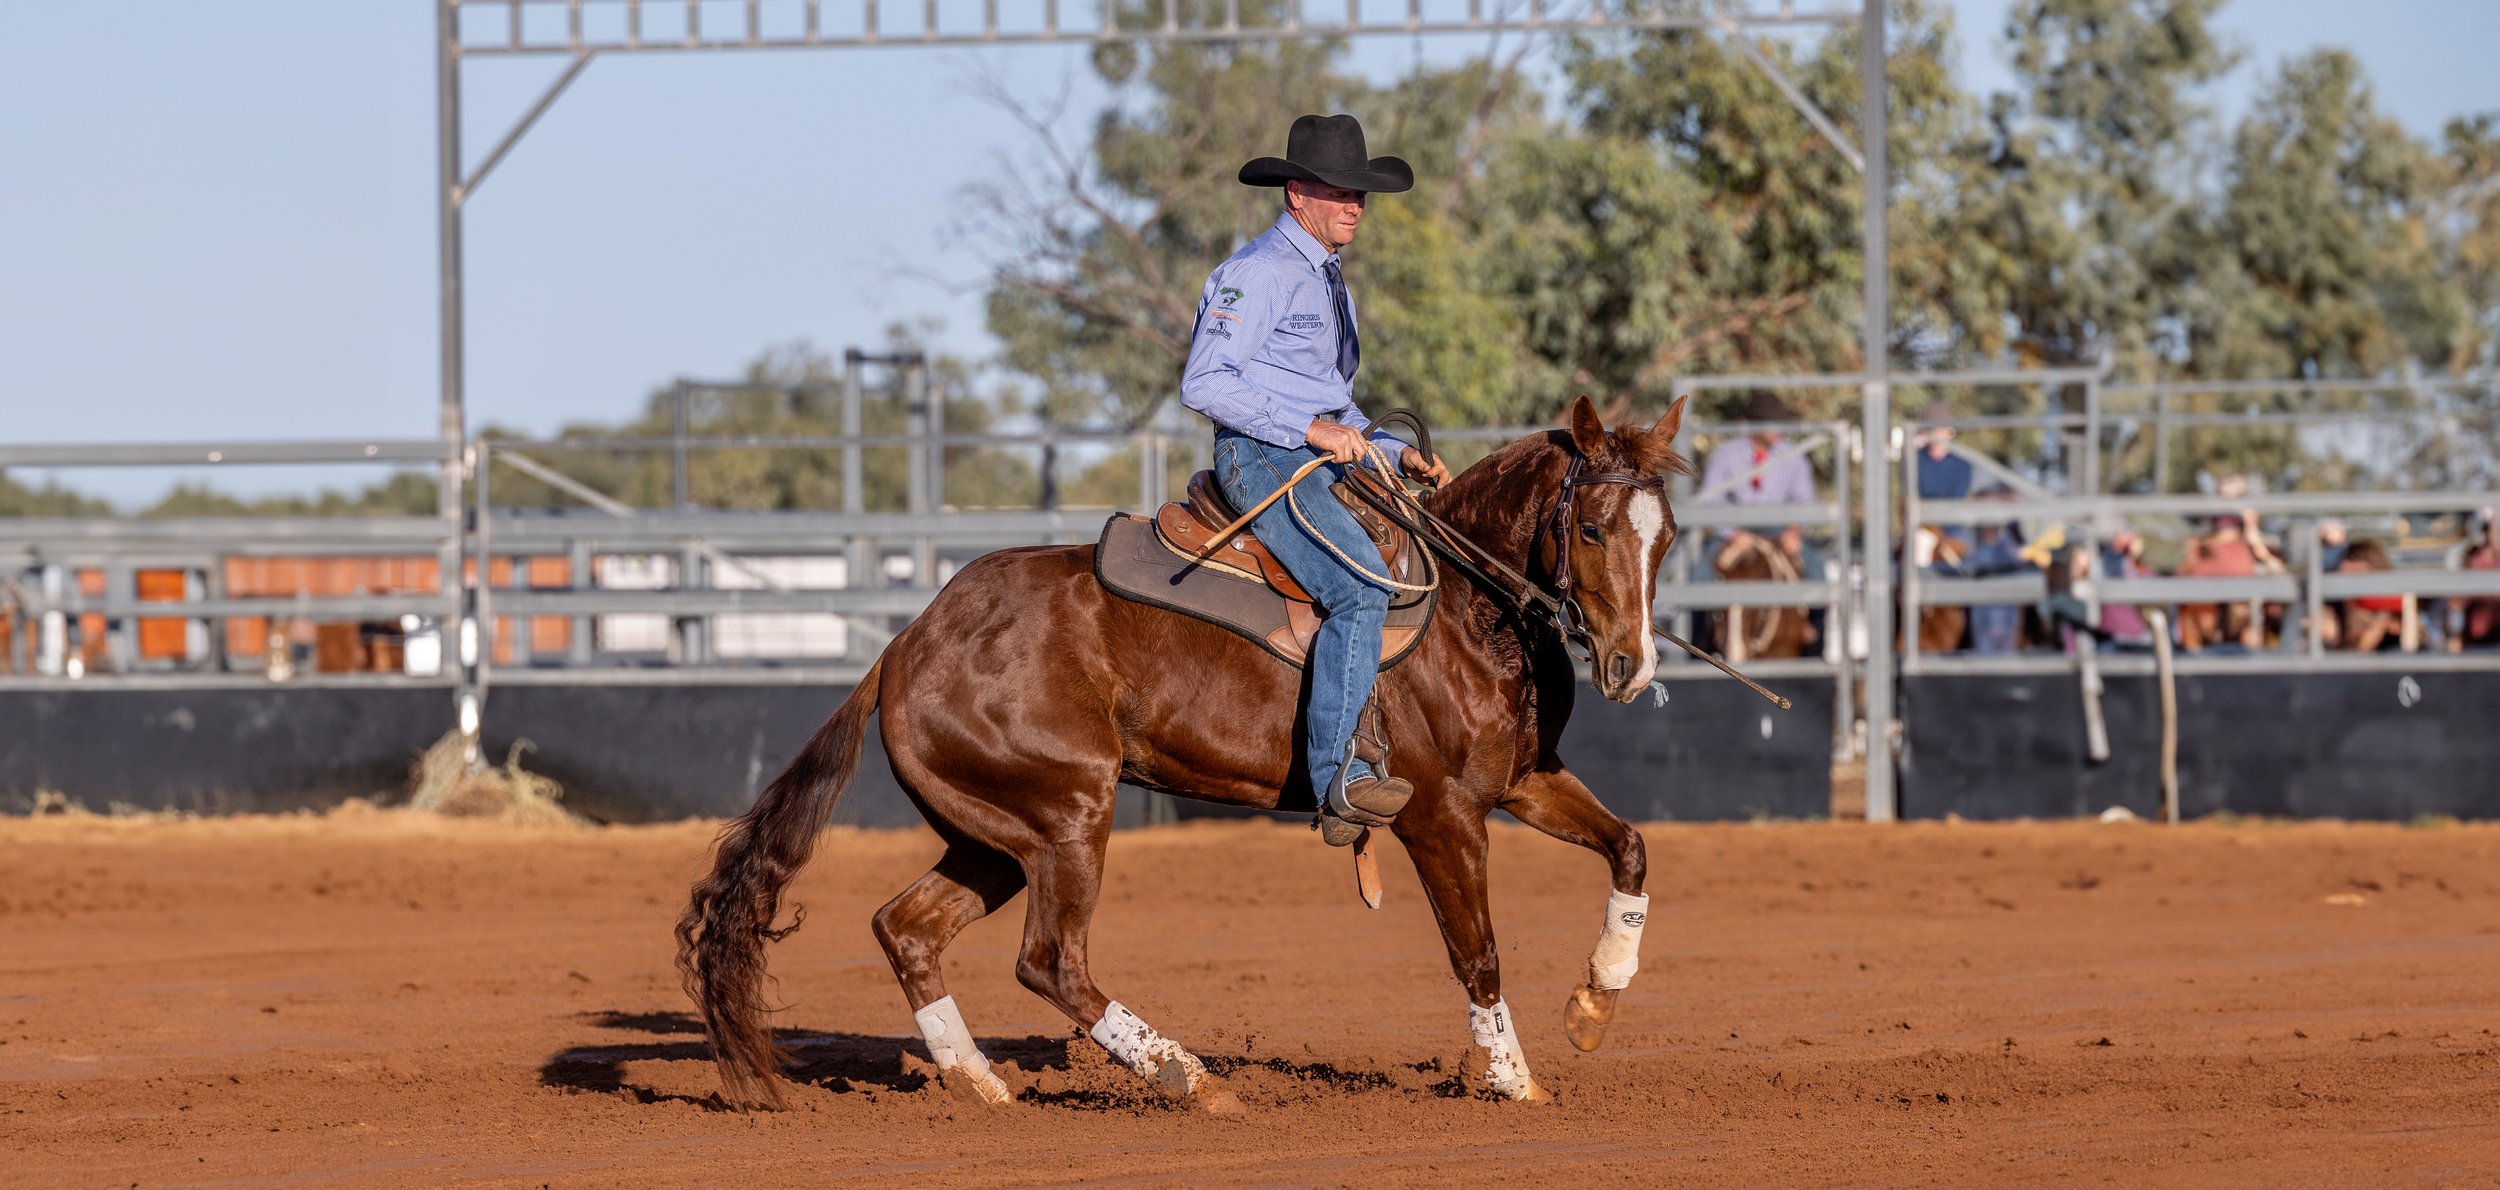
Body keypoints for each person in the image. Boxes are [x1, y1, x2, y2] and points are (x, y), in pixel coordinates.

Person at [1178, 113, 1448, 847]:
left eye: (1361, 194)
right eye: (1339, 192)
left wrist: (1392, 453)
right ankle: (1340, 779)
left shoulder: (1329, 282)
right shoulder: (1257, 274)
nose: (1355, 205)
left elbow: (1334, 405)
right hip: (1262, 457)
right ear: (1297, 192)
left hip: (1313, 452)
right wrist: (1308, 432)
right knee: (1359, 587)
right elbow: (1205, 382)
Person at [1698, 390, 1816, 561]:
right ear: (1755, 423)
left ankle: (1831, 589)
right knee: (1699, 574)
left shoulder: (1793, 455)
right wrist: (1731, 532)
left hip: (1780, 530)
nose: (1776, 428)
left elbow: (1805, 499)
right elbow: (1711, 498)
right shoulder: (1726, 454)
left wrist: (1794, 531)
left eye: (1778, 422)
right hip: (1736, 527)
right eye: (1769, 421)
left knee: (1817, 572)